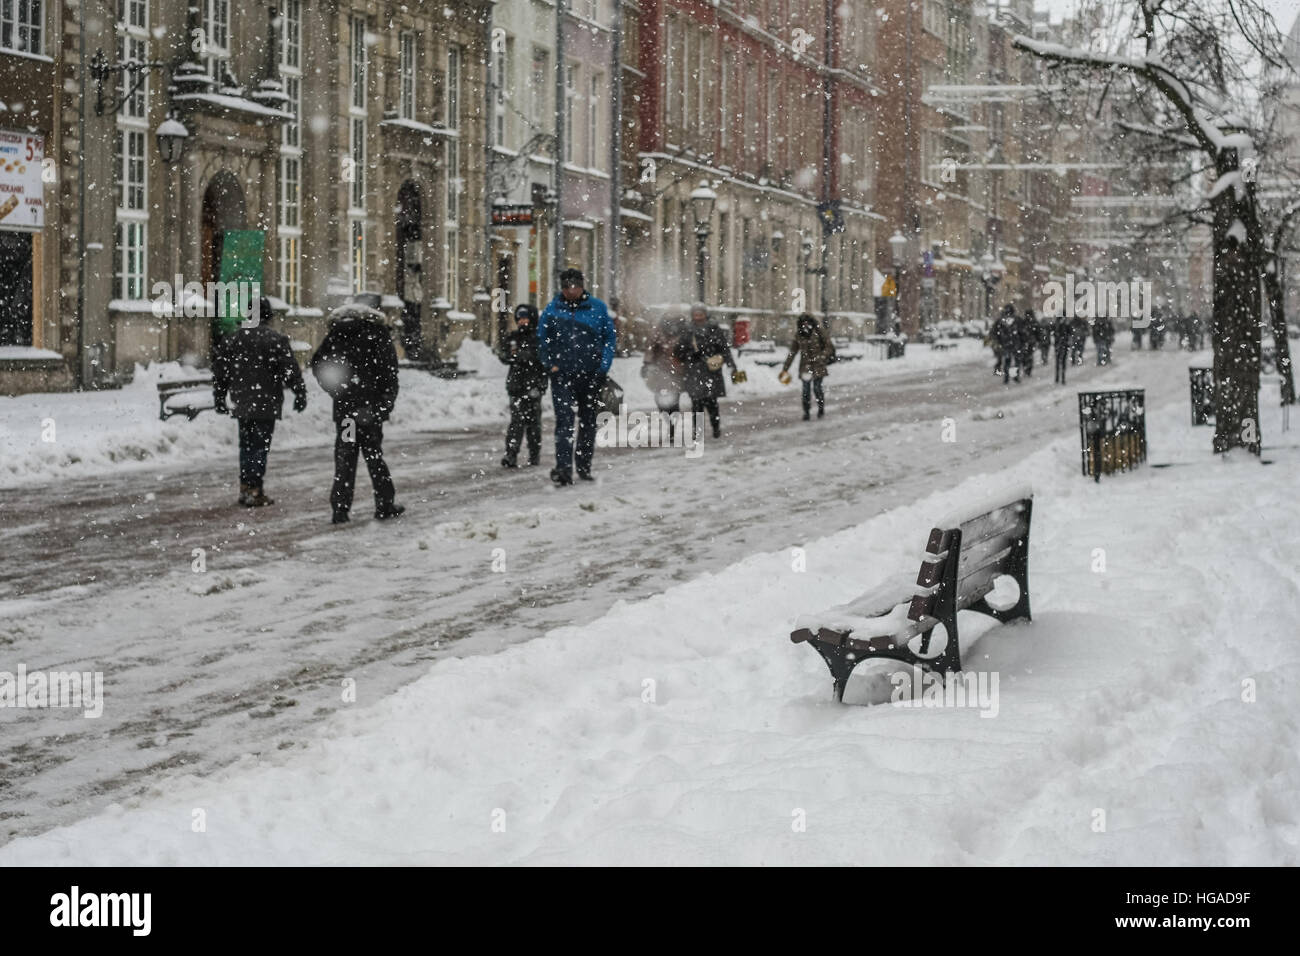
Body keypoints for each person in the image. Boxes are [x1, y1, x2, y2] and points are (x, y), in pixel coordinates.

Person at [310, 302, 404, 524]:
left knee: (345, 458)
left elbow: (318, 364)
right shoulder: (378, 335)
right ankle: (384, 503)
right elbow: (390, 374)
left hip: (346, 410)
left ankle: (340, 509)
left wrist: (338, 390)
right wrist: (382, 406)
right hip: (369, 410)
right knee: (374, 456)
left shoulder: (336, 334)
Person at [212, 296, 307, 507]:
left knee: (245, 445)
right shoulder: (276, 340)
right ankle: (255, 489)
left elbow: (221, 372)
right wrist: (300, 393)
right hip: (266, 402)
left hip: (242, 401)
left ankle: (246, 487)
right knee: (260, 446)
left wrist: (219, 397)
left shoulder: (233, 339)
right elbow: (290, 370)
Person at [537, 267, 617, 485]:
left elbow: (609, 339)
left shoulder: (597, 309)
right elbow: (542, 339)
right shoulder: (553, 309)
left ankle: (583, 465)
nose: (571, 291)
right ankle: (563, 468)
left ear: (582, 286)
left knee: (588, 421)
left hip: (590, 375)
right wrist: (550, 364)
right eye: (566, 287)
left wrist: (602, 367)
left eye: (574, 286)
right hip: (562, 375)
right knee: (564, 422)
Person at [673, 302, 737, 439]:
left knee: (712, 403)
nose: (698, 317)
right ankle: (698, 431)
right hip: (693, 372)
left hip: (711, 372)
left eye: (700, 314)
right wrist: (690, 354)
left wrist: (732, 365)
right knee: (696, 405)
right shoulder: (687, 331)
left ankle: (716, 427)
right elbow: (678, 351)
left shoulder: (714, 329)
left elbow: (724, 349)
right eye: (695, 314)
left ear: (705, 314)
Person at [498, 303, 547, 468]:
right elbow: (504, 355)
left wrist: (522, 355)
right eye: (519, 319)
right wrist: (511, 355)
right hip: (516, 385)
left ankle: (534, 454)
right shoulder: (514, 338)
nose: (522, 322)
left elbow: (541, 359)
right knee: (516, 422)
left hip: (533, 386)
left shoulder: (539, 338)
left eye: (525, 318)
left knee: (533, 424)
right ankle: (511, 454)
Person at [780, 313, 835, 418]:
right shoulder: (799, 335)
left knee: (817, 388)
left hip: (818, 365)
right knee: (806, 390)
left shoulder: (819, 332)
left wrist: (822, 356)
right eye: (803, 323)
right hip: (805, 367)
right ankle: (806, 412)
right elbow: (792, 352)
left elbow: (829, 347)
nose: (805, 325)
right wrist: (785, 368)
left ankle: (820, 408)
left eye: (807, 322)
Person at [642, 316, 685, 442]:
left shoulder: (683, 334)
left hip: (676, 372)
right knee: (660, 400)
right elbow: (650, 348)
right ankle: (668, 421)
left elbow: (687, 351)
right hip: (659, 371)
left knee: (674, 401)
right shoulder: (658, 332)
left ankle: (672, 427)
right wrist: (647, 363)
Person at [992, 305, 1021, 384]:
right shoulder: (1016, 320)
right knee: (1016, 361)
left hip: (1005, 344)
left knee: (1007, 361)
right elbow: (1022, 332)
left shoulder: (1001, 320)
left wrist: (998, 341)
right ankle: (1014, 376)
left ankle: (1007, 377)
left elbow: (994, 332)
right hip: (1015, 344)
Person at [1015, 307, 1037, 378]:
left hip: (1028, 342)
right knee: (1027, 357)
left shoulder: (1031, 322)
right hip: (1026, 342)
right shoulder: (1028, 322)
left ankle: (1027, 370)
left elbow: (1038, 332)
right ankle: (1027, 370)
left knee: (1027, 357)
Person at [1052, 312, 1071, 384]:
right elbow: (1070, 332)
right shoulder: (1066, 323)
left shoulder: (1056, 323)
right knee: (1063, 362)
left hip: (1058, 345)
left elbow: (1054, 333)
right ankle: (1062, 377)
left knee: (1058, 362)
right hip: (1064, 344)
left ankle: (1057, 377)